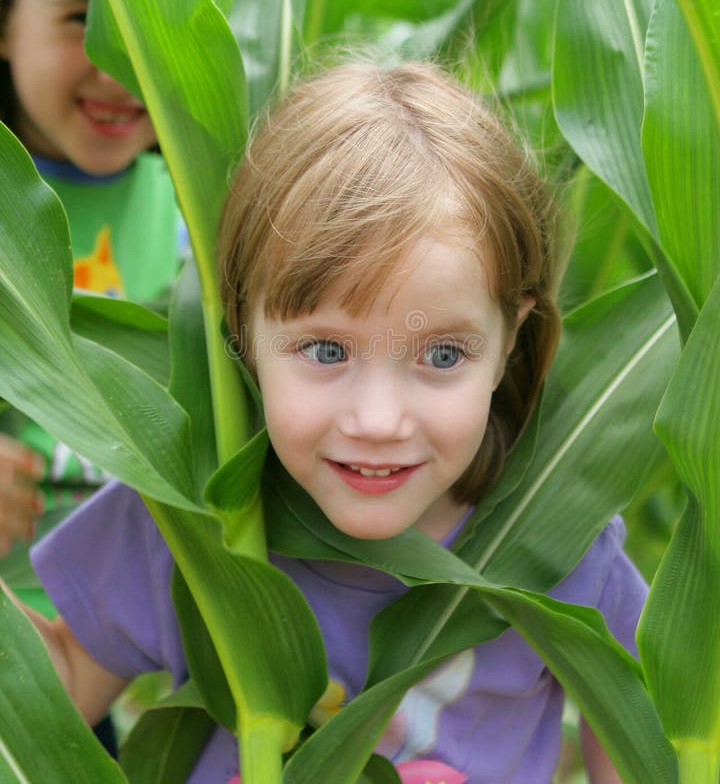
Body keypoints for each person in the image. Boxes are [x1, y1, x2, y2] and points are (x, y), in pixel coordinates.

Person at [15, 62, 645, 782]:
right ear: (244, 334)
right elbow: (50, 686)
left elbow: (640, 756)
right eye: (325, 349)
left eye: (441, 354)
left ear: (509, 340)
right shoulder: (188, 521)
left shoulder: (563, 549)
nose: (378, 421)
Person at [0, 0, 182, 578]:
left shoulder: (197, 218)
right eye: (82, 20)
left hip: (141, 642)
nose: (116, 67)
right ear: (5, 20)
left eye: (145, 24)